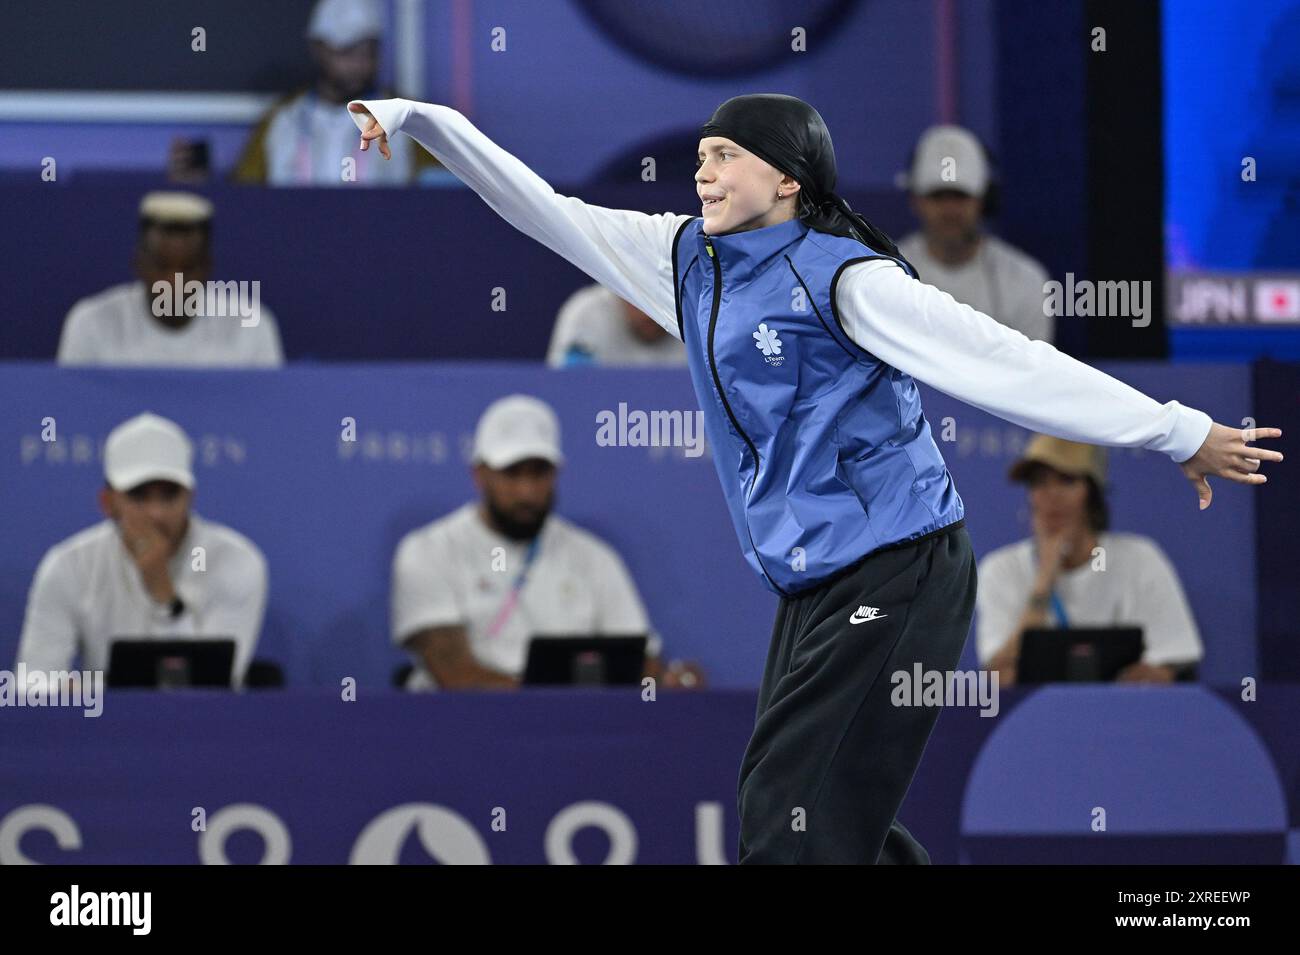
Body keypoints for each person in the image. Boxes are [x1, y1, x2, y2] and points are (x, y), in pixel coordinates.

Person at [346, 93, 1282, 864]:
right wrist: (425, 120)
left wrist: (1176, 428)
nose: (703, 170)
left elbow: (1008, 362)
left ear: (786, 179)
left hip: (903, 569)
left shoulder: (850, 283)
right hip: (816, 585)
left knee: (785, 810)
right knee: (840, 823)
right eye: (701, 155)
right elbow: (542, 209)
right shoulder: (684, 264)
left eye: (725, 156)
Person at [391, 395, 695, 691]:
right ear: (479, 474)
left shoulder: (594, 557)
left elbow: (641, 664)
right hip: (462, 728)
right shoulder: (428, 551)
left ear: (556, 473)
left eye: (539, 473)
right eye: (511, 473)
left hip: (576, 730)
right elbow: (454, 675)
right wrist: (545, 710)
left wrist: (670, 683)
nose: (527, 492)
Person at [16, 413, 269, 688]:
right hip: (101, 727)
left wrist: (162, 593)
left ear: (190, 497)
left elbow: (213, 684)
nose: (156, 513)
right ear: (108, 502)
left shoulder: (236, 561)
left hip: (203, 727)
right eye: (139, 496)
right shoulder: (70, 565)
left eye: (169, 495)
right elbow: (32, 684)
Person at [977, 435, 1203, 684]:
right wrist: (1044, 580)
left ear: (1092, 494)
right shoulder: (1000, 568)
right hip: (1039, 718)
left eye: (1067, 480)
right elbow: (999, 679)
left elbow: (1169, 669)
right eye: (1038, 482)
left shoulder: (1140, 559)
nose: (1052, 495)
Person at [57, 191, 284, 367]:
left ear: (208, 269)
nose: (174, 283)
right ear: (139, 265)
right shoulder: (91, 323)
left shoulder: (251, 326)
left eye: (187, 269)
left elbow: (268, 415)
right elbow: (71, 409)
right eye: (162, 267)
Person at [228, 0, 430, 186]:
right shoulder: (283, 120)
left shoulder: (409, 121)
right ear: (318, 49)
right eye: (347, 52)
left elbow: (443, 196)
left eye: (368, 52)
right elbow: (246, 196)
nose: (360, 64)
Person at [898, 124, 1053, 343]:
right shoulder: (890, 274)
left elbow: (1034, 373)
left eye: (960, 196)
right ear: (915, 200)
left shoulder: (1025, 281)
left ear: (985, 199)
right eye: (937, 196)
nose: (950, 210)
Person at [546, 284, 687, 367]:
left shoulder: (698, 312)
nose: (648, 315)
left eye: (660, 303)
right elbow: (567, 389)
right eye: (639, 300)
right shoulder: (586, 313)